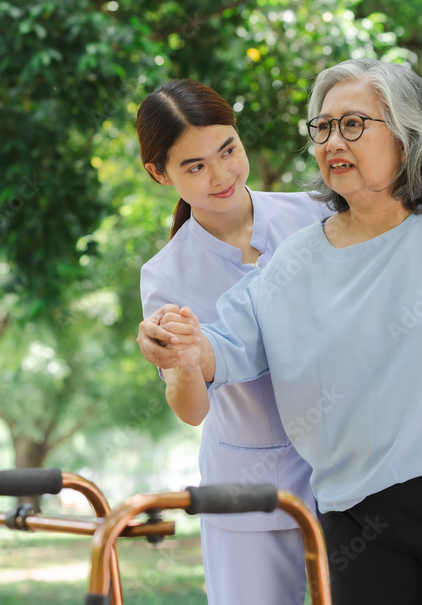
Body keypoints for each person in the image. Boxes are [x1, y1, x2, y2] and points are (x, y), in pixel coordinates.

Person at [141, 59, 422, 604]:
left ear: (408, 134)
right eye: (323, 127)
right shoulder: (292, 263)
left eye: (353, 124)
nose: (334, 140)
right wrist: (185, 350)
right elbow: (223, 348)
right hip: (358, 519)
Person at [135, 79, 329, 605]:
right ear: (159, 173)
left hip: (347, 473)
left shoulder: (318, 215)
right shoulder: (165, 276)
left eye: (228, 151)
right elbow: (192, 410)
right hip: (249, 491)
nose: (221, 175)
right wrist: (182, 362)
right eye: (194, 166)